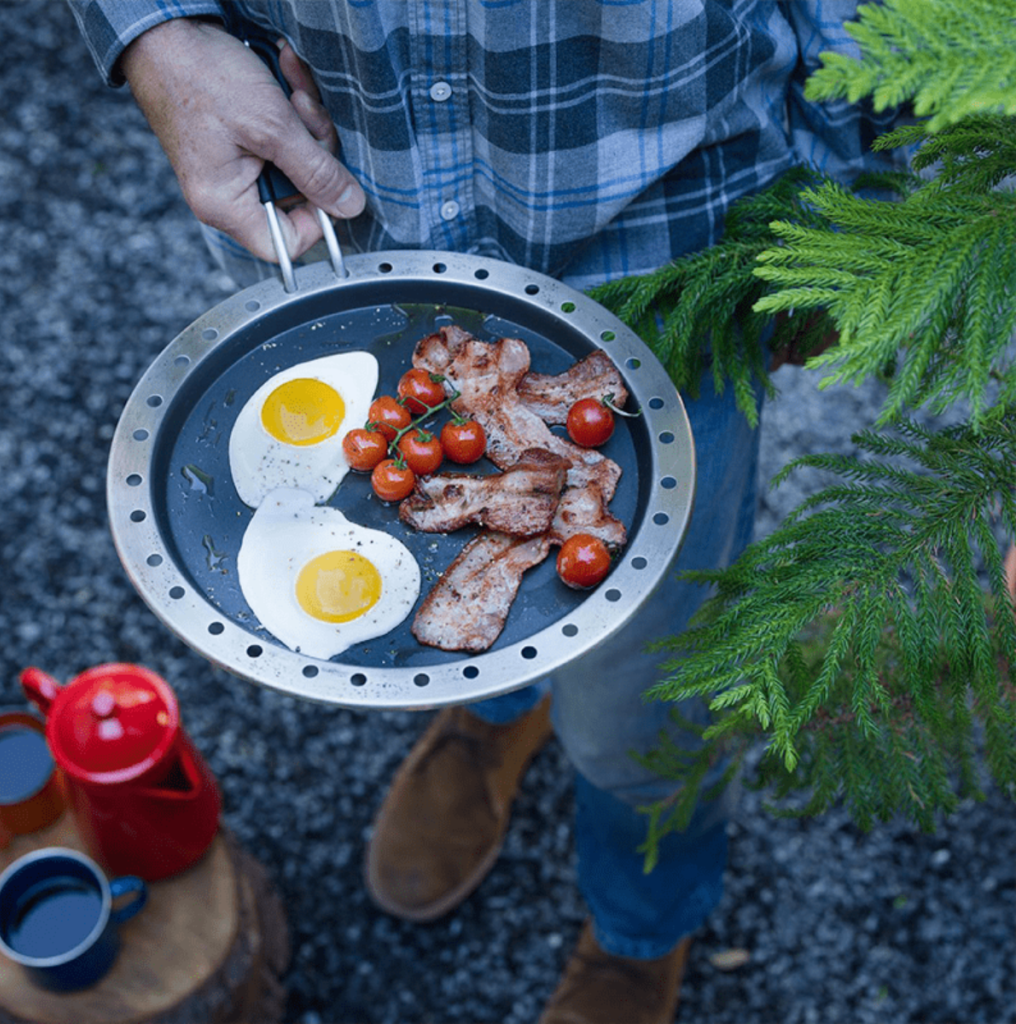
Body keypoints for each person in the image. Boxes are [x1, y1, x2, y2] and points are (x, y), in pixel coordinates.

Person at [68, 3, 897, 1021]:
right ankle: (494, 714)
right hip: (364, 218)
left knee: (650, 690)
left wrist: (868, 200)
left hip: (674, 244)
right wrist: (155, 32)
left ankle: (641, 924)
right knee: (449, 563)